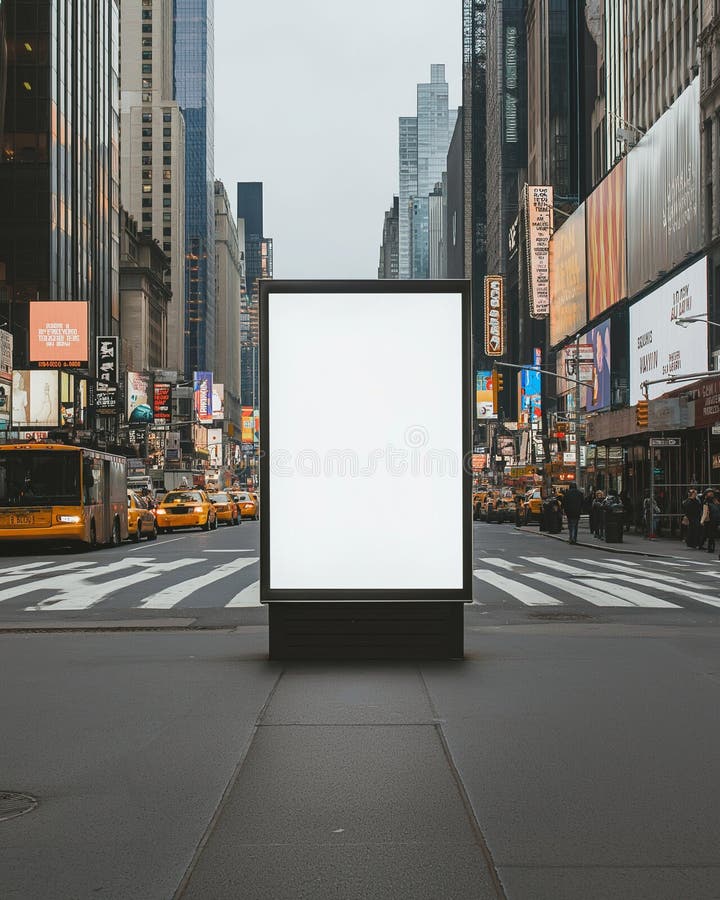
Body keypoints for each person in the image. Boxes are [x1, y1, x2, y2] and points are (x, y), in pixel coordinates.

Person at [700, 490, 720, 555]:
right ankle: (712, 547)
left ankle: (710, 548)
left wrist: (702, 521)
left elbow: (705, 513)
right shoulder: (716, 501)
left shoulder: (706, 502)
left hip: (709, 520)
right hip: (716, 520)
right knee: (712, 535)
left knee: (710, 535)